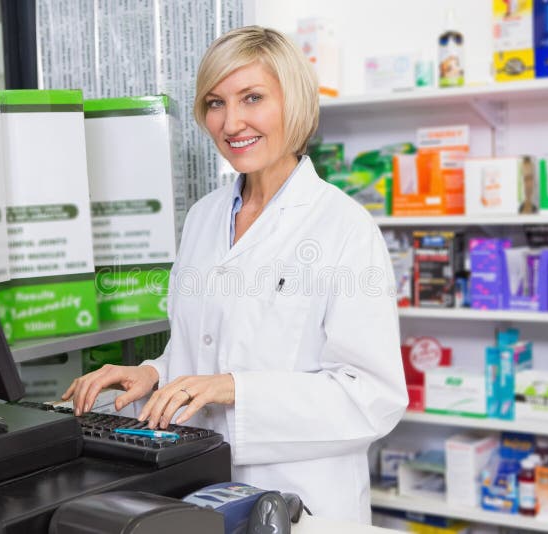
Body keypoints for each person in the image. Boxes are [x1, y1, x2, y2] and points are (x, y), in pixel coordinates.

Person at [62, 25, 407, 523]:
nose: (231, 121)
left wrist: (234, 388)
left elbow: (372, 397)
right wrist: (153, 373)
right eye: (215, 102)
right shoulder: (204, 216)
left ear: (295, 103)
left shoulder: (344, 227)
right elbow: (203, 347)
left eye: (252, 97)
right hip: (201, 489)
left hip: (301, 504)